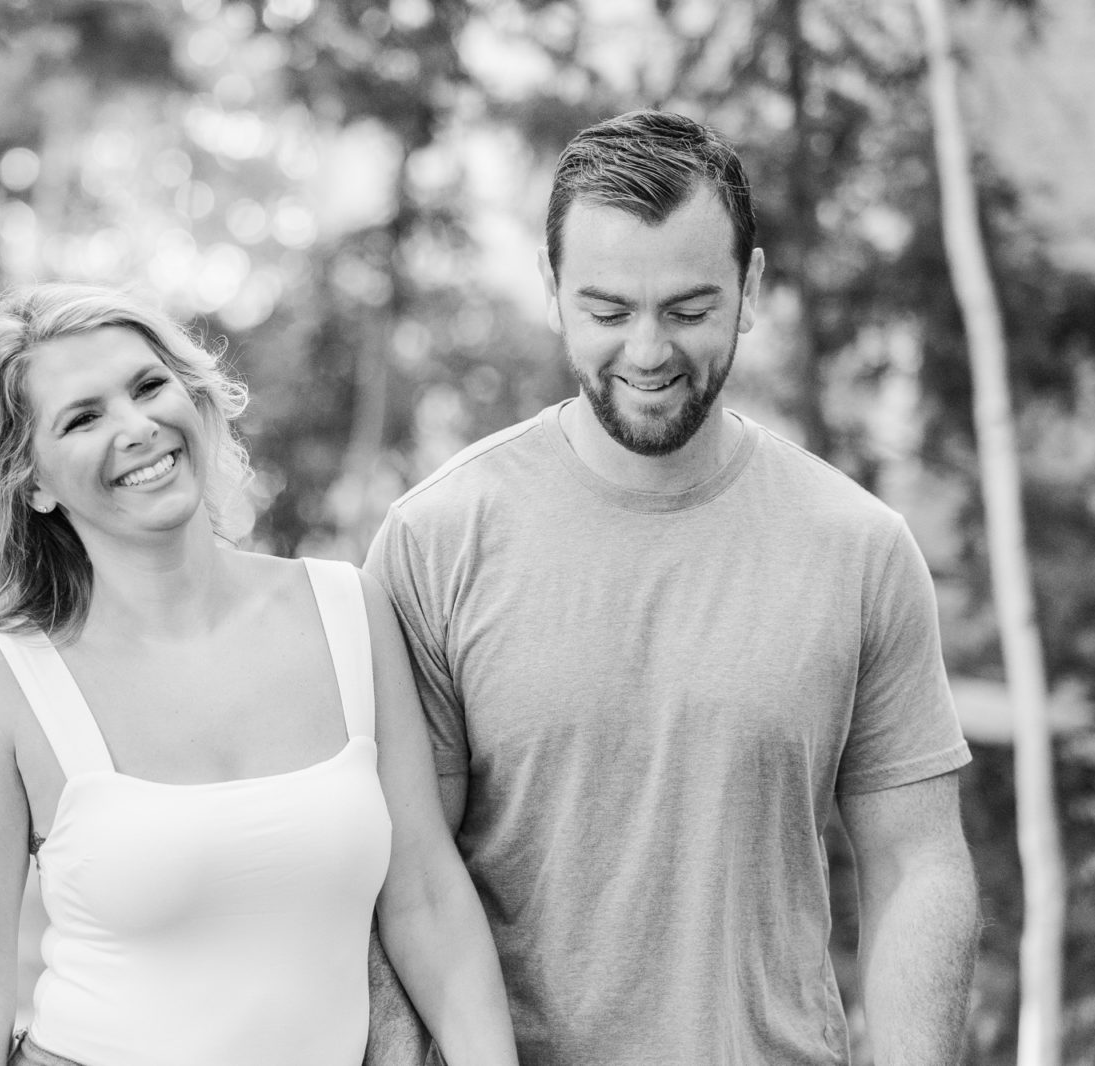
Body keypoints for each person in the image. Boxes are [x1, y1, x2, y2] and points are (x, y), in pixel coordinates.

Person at [365, 109, 979, 1065]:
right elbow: (405, 882)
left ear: (750, 288)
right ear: (551, 290)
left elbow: (916, 863)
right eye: (608, 312)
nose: (648, 352)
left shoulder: (859, 547)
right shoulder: (434, 541)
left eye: (688, 310)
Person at [0, 282, 519, 1066]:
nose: (136, 427)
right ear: (34, 481)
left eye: (148, 387)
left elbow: (425, 896)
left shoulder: (348, 610)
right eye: (82, 419)